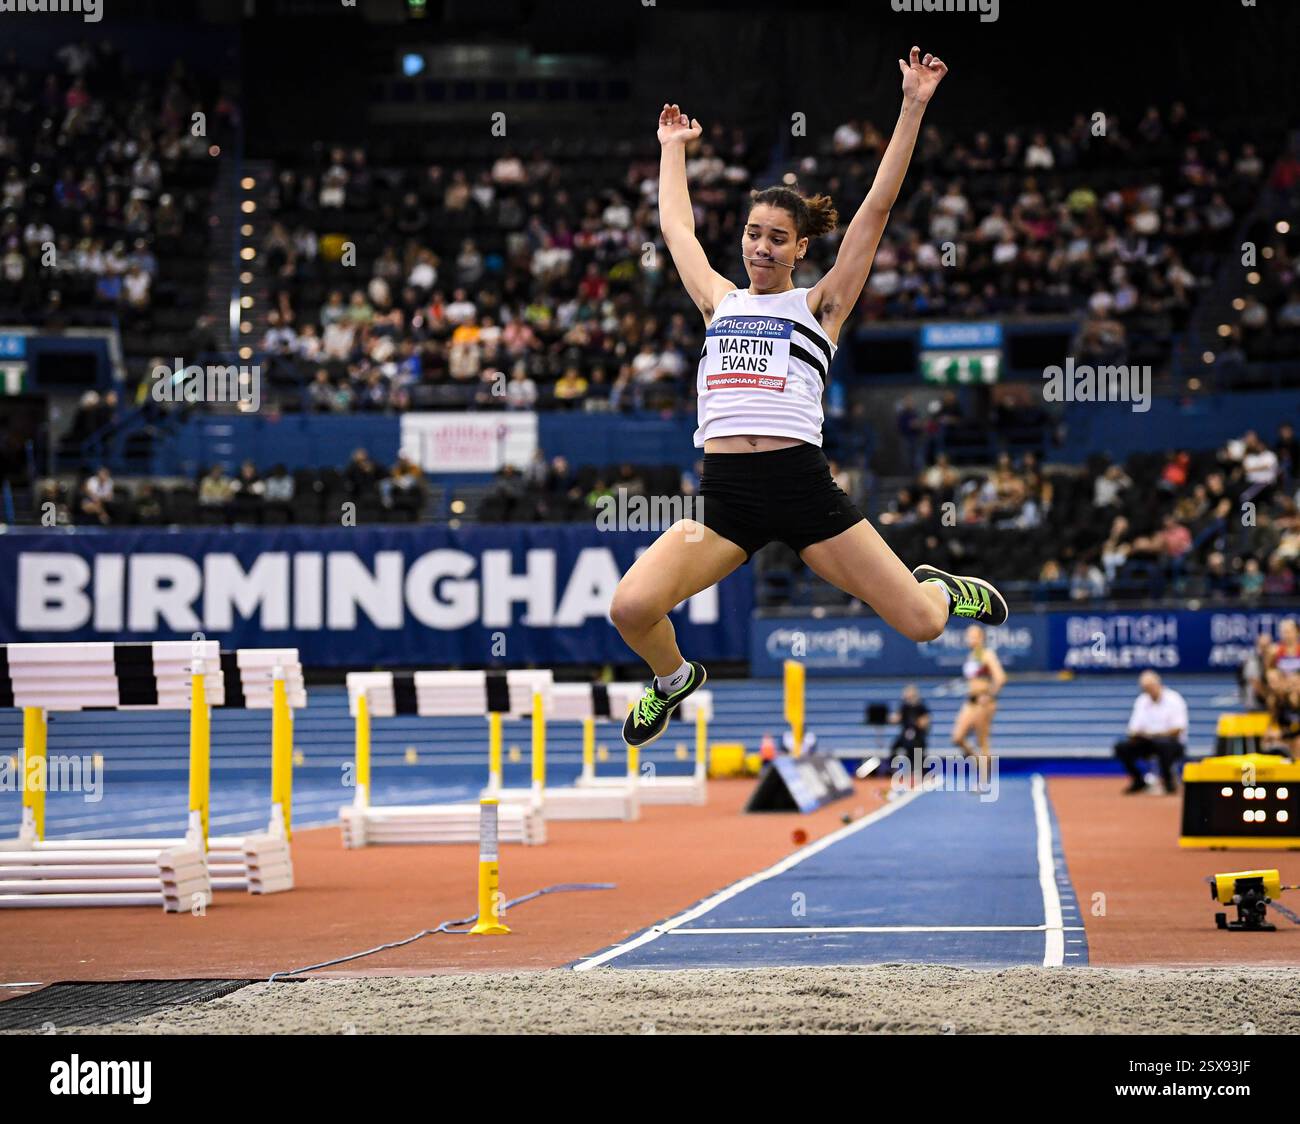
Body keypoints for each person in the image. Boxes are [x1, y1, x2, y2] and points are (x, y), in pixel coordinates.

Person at [610, 52, 1007, 750]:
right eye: (753, 234)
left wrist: (913, 103)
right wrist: (672, 148)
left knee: (922, 624)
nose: (761, 248)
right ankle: (673, 680)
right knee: (631, 606)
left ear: (798, 248)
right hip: (725, 498)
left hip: (804, 492)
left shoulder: (819, 305)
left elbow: (877, 208)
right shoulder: (719, 300)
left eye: (777, 239)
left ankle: (942, 586)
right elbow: (677, 230)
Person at [1113, 670, 1188, 795]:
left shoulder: (1174, 699)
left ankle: (1168, 783)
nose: (1149, 690)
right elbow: (1133, 728)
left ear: (1158, 684)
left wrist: (1156, 735)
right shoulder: (1142, 701)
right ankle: (1138, 781)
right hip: (1148, 742)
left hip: (1171, 743)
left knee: (1163, 745)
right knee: (1121, 747)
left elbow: (1178, 729)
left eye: (1150, 687)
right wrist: (1141, 735)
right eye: (1145, 688)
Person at [951, 625, 1005, 787]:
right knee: (957, 737)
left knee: (982, 741)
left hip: (983, 702)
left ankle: (983, 779)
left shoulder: (987, 654)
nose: (969, 639)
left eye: (973, 636)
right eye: (968, 636)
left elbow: (1000, 678)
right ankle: (978, 763)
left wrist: (989, 695)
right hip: (970, 701)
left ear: (981, 637)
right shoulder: (972, 655)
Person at [889, 683, 930, 765]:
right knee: (894, 747)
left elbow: (925, 723)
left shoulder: (921, 707)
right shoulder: (904, 707)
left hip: (918, 737)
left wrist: (917, 722)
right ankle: (893, 768)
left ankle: (918, 769)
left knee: (916, 748)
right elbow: (896, 718)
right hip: (905, 736)